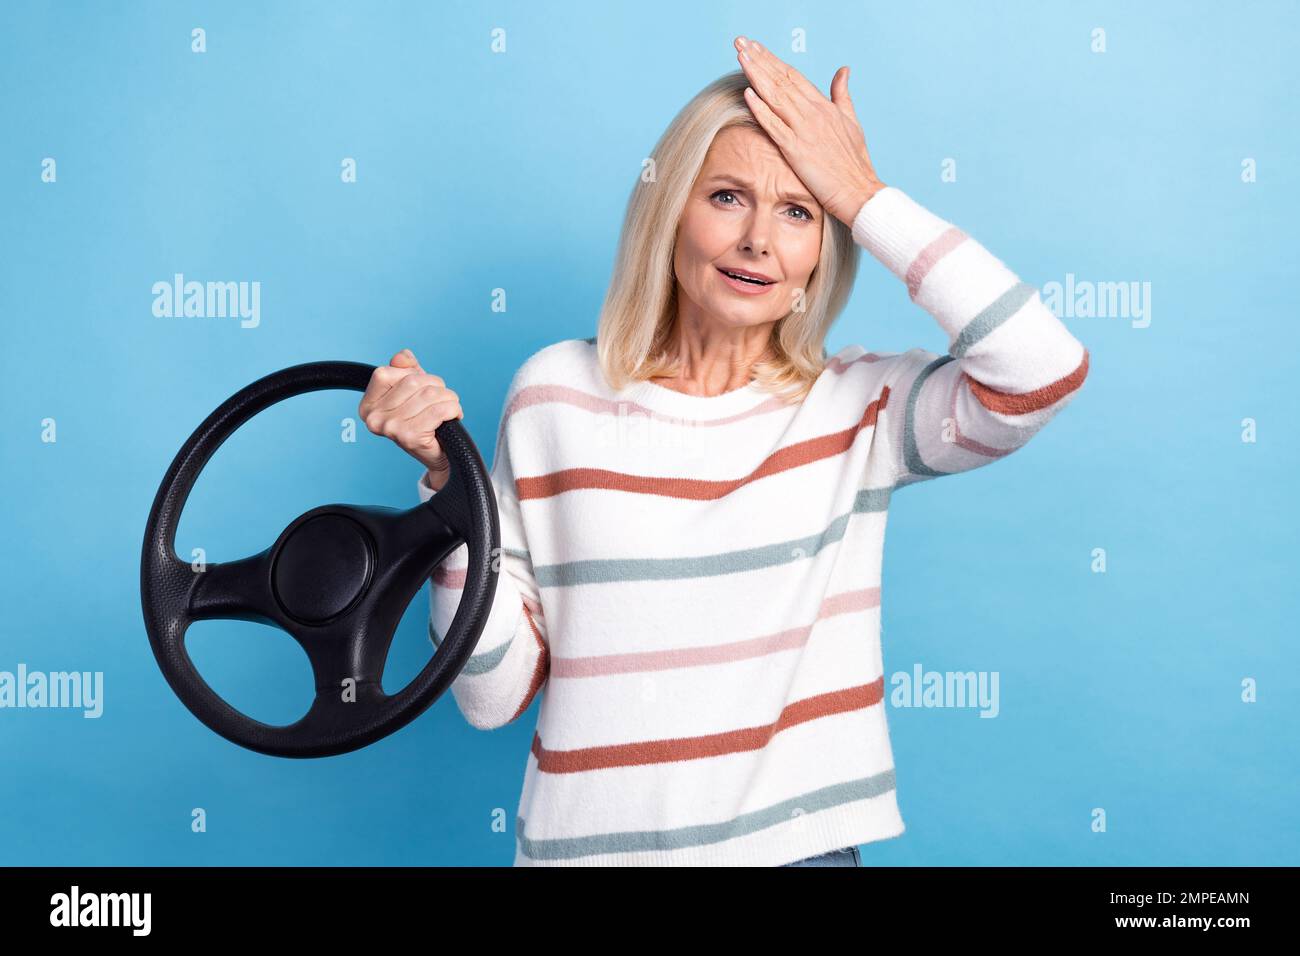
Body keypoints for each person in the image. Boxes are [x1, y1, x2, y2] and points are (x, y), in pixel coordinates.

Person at [358, 36, 1089, 866]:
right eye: (728, 196)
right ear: (668, 211)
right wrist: (452, 490)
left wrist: (862, 192)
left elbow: (1043, 369)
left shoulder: (857, 407)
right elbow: (490, 695)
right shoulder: (553, 394)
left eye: (798, 211)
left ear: (824, 249)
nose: (759, 242)